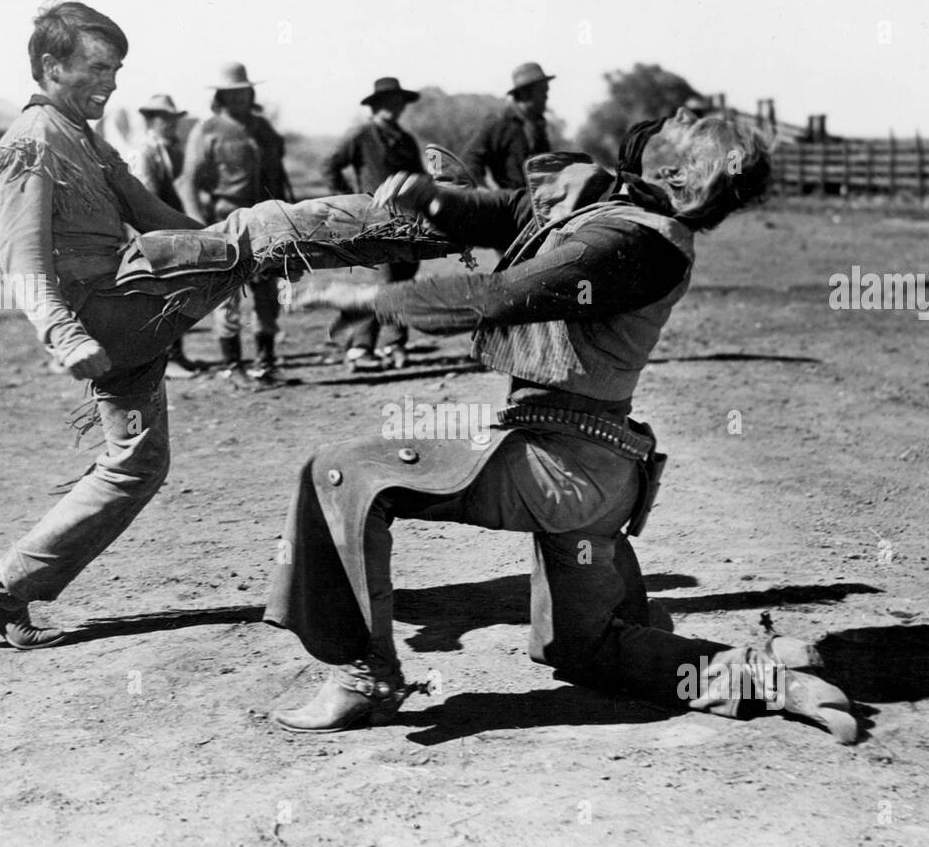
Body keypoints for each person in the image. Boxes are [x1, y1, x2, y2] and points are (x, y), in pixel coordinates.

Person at [265, 108, 859, 744]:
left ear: (683, 171)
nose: (671, 116)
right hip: (593, 474)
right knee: (582, 650)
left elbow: (497, 294)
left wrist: (370, 300)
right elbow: (505, 215)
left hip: (559, 469)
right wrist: (431, 198)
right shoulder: (614, 211)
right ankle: (763, 677)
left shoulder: (636, 244)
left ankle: (365, 676)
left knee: (339, 471)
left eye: (684, 127)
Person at [0, 0, 214, 649]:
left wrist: (234, 244)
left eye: (117, 70)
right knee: (137, 461)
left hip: (124, 313)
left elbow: (150, 210)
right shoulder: (32, 139)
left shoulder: (81, 135)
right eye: (98, 69)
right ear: (52, 65)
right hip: (104, 318)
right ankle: (5, 587)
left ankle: (4, 589)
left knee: (139, 461)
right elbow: (19, 253)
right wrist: (63, 334)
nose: (110, 85)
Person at [176, 62, 294, 388]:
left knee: (267, 296)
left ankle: (266, 363)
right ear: (221, 96)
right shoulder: (207, 130)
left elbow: (278, 177)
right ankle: (233, 367)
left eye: (243, 91)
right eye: (231, 93)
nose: (239, 98)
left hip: (269, 223)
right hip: (226, 224)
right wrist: (200, 227)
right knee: (228, 297)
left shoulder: (263, 128)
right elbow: (187, 181)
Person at [321, 77, 424, 372]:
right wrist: (351, 202)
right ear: (375, 106)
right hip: (374, 223)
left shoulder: (405, 139)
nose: (394, 108)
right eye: (387, 103)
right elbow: (330, 165)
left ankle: (395, 344)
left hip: (408, 223)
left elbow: (419, 177)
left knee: (403, 283)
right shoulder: (362, 135)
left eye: (398, 102)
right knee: (383, 285)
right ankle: (359, 348)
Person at [130, 93, 201, 379]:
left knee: (179, 295)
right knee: (162, 300)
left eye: (174, 119)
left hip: (170, 233)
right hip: (155, 236)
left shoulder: (170, 150)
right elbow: (145, 200)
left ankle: (176, 355)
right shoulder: (145, 153)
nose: (171, 124)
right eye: (165, 119)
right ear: (151, 120)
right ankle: (165, 359)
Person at [464, 62, 554, 190]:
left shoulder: (538, 126)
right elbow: (470, 162)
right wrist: (486, 194)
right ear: (525, 94)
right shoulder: (498, 123)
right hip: (509, 204)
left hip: (535, 204)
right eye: (542, 91)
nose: (546, 96)